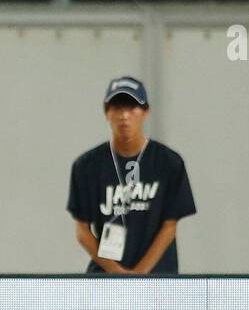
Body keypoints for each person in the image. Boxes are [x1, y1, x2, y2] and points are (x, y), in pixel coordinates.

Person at [67, 76, 196, 274]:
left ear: (145, 112)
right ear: (106, 113)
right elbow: (82, 230)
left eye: (132, 107)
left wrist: (139, 274)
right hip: (107, 277)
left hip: (158, 278)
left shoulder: (168, 163)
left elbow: (170, 225)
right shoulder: (87, 166)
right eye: (117, 107)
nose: (124, 116)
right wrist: (115, 271)